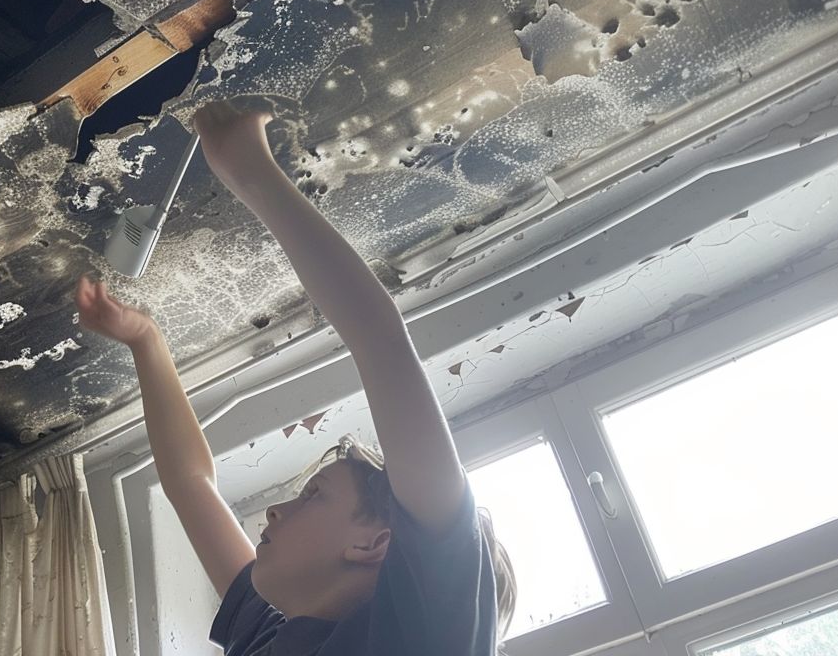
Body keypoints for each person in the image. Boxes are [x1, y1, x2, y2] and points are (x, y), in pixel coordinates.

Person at [75, 100, 517, 654]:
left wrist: (145, 341)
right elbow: (380, 344)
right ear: (376, 543)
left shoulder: (294, 639)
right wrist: (250, 172)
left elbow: (190, 486)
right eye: (311, 495)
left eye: (313, 495)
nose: (276, 511)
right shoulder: (384, 637)